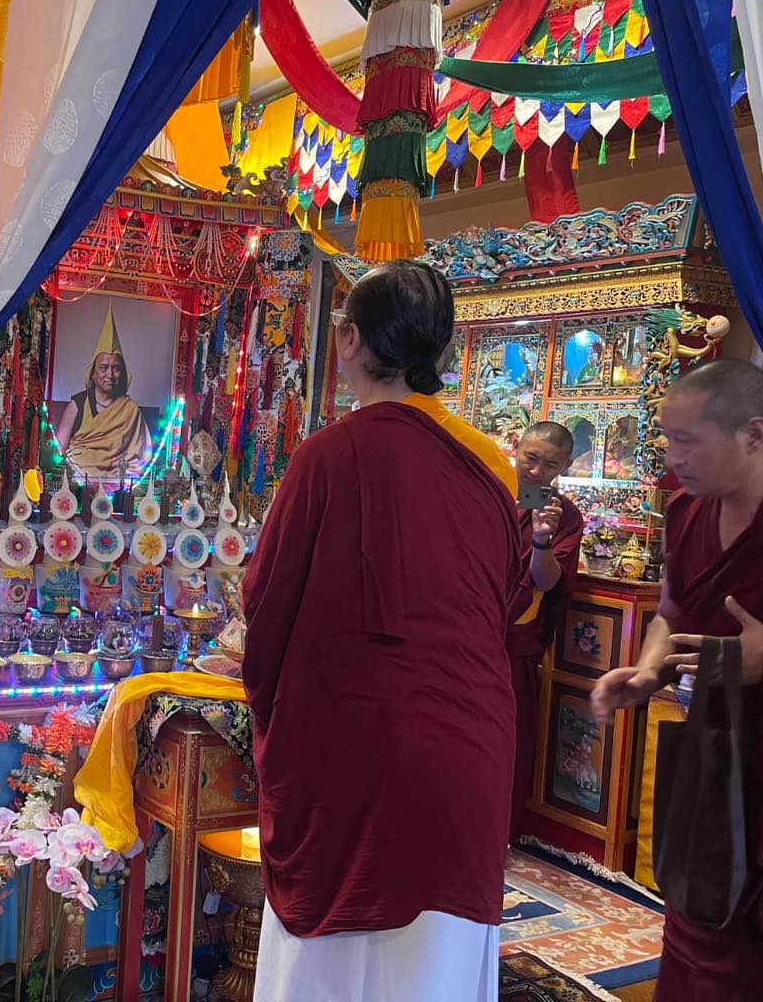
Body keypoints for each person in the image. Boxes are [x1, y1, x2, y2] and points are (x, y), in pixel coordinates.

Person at [243, 260, 525, 1001]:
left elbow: (265, 606)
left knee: (332, 965)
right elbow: (506, 604)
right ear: (442, 347)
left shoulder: (326, 456)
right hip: (467, 742)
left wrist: (271, 701)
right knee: (434, 962)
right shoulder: (488, 463)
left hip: (351, 749)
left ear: (348, 340)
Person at [590, 359, 763, 1000]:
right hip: (714, 754)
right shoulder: (688, 513)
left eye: (687, 441)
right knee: (699, 920)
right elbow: (672, 610)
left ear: (753, 434)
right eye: (668, 440)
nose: (673, 458)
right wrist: (647, 671)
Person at [509, 422, 585, 837]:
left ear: (566, 466)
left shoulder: (562, 514)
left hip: (510, 640)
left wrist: (541, 540)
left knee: (509, 739)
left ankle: (496, 833)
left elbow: (546, 580)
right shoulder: (487, 492)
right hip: (460, 632)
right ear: (516, 448)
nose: (537, 472)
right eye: (531, 458)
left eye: (550, 465)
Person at [55, 305, 152, 478]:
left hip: (119, 482)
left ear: (123, 373)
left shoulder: (130, 409)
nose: (110, 375)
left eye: (116, 368)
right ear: (93, 373)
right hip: (79, 479)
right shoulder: (77, 405)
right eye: (104, 367)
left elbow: (142, 458)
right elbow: (58, 450)